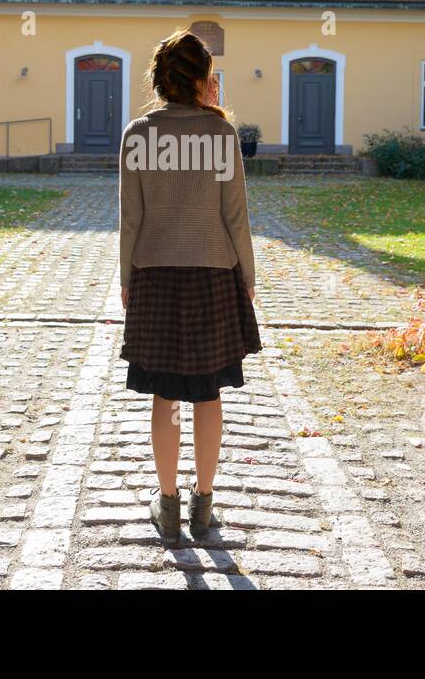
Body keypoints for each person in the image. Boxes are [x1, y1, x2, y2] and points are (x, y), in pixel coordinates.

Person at [118, 29, 260, 544]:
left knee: (165, 395)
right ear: (202, 79)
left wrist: (125, 281)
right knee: (206, 394)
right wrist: (247, 274)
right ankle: (203, 504)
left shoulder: (138, 134)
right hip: (212, 274)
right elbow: (236, 216)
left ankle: (169, 506)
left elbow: (129, 220)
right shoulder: (220, 135)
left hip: (155, 274)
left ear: (160, 79)